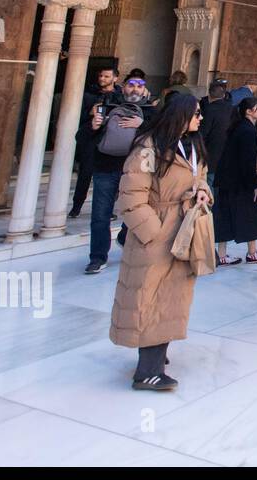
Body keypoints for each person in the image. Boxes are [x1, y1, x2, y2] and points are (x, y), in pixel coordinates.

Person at [110, 92, 212, 391]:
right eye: (196, 113)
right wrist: (153, 232)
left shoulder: (191, 145)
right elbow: (131, 196)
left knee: (171, 297)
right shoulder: (149, 147)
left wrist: (203, 192)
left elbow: (200, 177)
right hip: (158, 235)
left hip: (183, 231)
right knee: (150, 297)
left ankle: (156, 353)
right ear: (180, 115)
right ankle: (147, 372)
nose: (200, 118)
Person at [85, 77, 154, 274]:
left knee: (136, 209)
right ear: (123, 87)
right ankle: (97, 257)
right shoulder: (107, 106)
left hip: (136, 170)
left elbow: (159, 139)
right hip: (106, 167)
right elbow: (82, 137)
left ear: (145, 90)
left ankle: (124, 236)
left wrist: (142, 124)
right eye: (131, 85)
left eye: (139, 86)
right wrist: (93, 127)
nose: (135, 89)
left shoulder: (151, 111)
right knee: (101, 214)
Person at [212, 96, 257, 266]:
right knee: (251, 214)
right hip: (239, 182)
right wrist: (256, 185)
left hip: (228, 180)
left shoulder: (240, 127)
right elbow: (246, 162)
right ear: (249, 112)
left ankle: (222, 255)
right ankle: (252, 253)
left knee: (225, 217)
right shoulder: (246, 131)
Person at [70, 66, 120, 217]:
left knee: (111, 178)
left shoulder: (120, 96)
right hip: (91, 140)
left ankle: (107, 210)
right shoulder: (89, 95)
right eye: (101, 76)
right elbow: (78, 118)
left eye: (106, 76)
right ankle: (76, 207)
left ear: (115, 78)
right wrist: (90, 113)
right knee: (84, 175)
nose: (102, 79)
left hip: (111, 141)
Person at [200, 79, 233, 186]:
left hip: (211, 152)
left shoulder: (209, 110)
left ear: (209, 94)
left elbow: (203, 133)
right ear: (223, 95)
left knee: (210, 182)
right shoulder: (232, 109)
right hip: (227, 151)